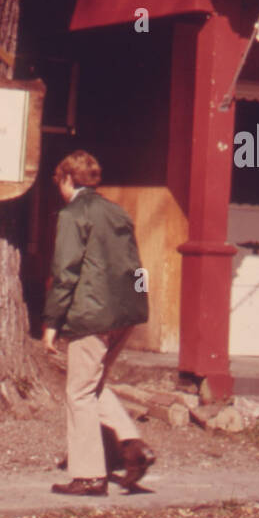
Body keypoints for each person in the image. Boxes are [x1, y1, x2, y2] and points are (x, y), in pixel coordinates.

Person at [42, 150, 155, 496]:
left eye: (59, 181)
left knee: (78, 393)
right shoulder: (117, 212)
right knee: (92, 385)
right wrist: (138, 306)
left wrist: (51, 323)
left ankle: (90, 475)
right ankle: (133, 447)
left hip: (92, 315)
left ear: (66, 179)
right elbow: (135, 266)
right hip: (126, 313)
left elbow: (65, 272)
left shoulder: (73, 214)